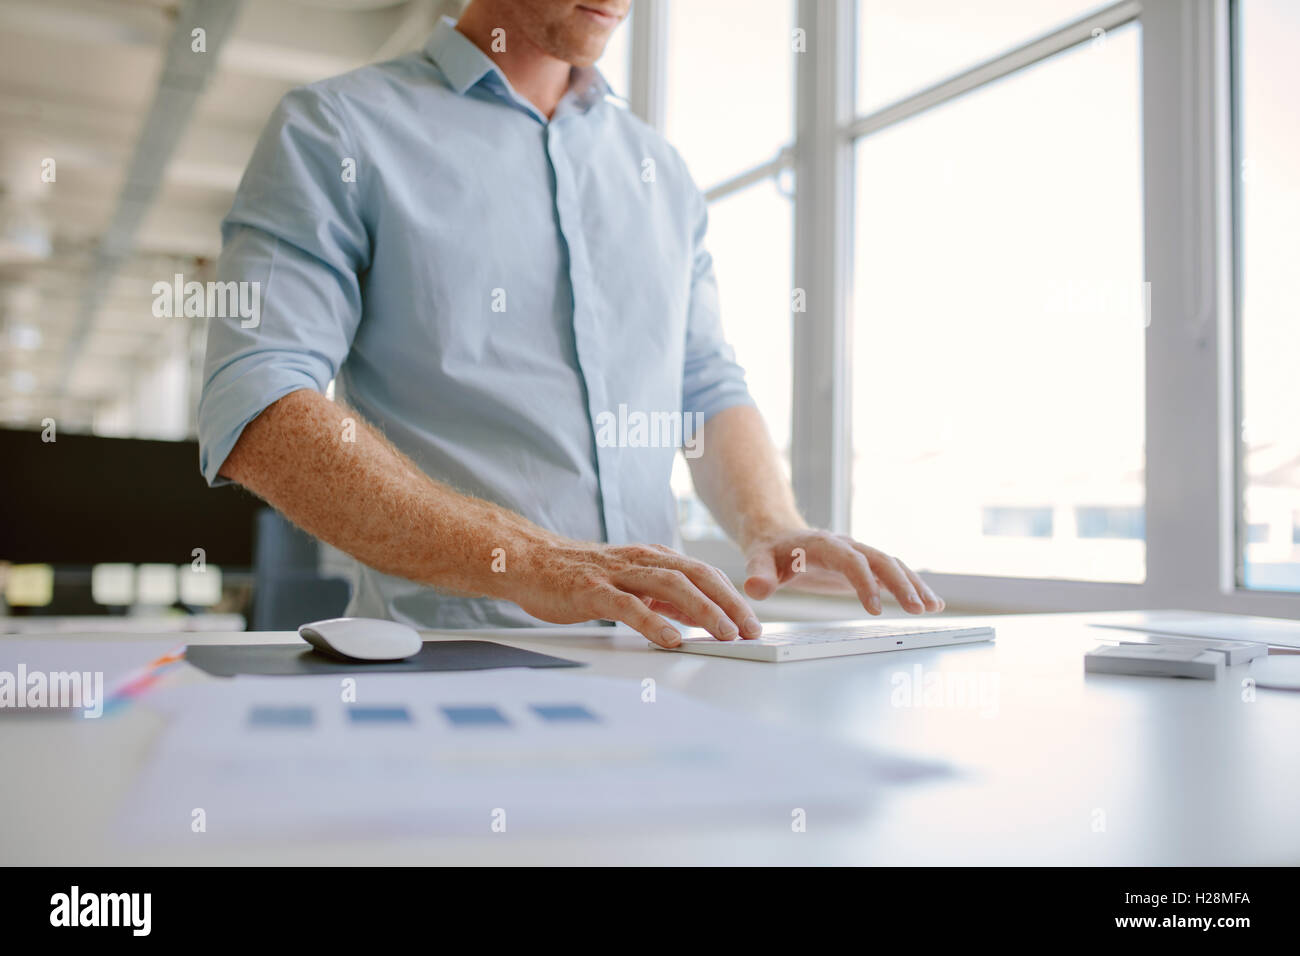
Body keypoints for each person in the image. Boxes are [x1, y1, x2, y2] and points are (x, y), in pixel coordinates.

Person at [197, 0, 944, 647]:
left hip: (666, 659)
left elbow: (703, 384)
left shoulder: (661, 171)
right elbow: (260, 403)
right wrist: (531, 561)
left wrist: (771, 523)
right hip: (448, 664)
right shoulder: (338, 131)